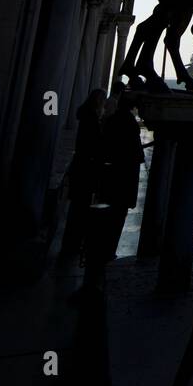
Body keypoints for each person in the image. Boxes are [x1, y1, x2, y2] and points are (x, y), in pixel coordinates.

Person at [97, 89, 145, 259]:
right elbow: (137, 154)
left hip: (110, 174)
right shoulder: (130, 122)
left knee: (107, 212)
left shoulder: (111, 120)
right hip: (123, 176)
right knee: (117, 215)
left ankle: (100, 248)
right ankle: (109, 250)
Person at [61, 88, 107, 256]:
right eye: (102, 100)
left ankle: (71, 242)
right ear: (98, 101)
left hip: (81, 166)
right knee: (81, 207)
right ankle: (73, 243)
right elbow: (95, 144)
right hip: (86, 169)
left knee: (77, 207)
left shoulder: (86, 116)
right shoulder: (92, 119)